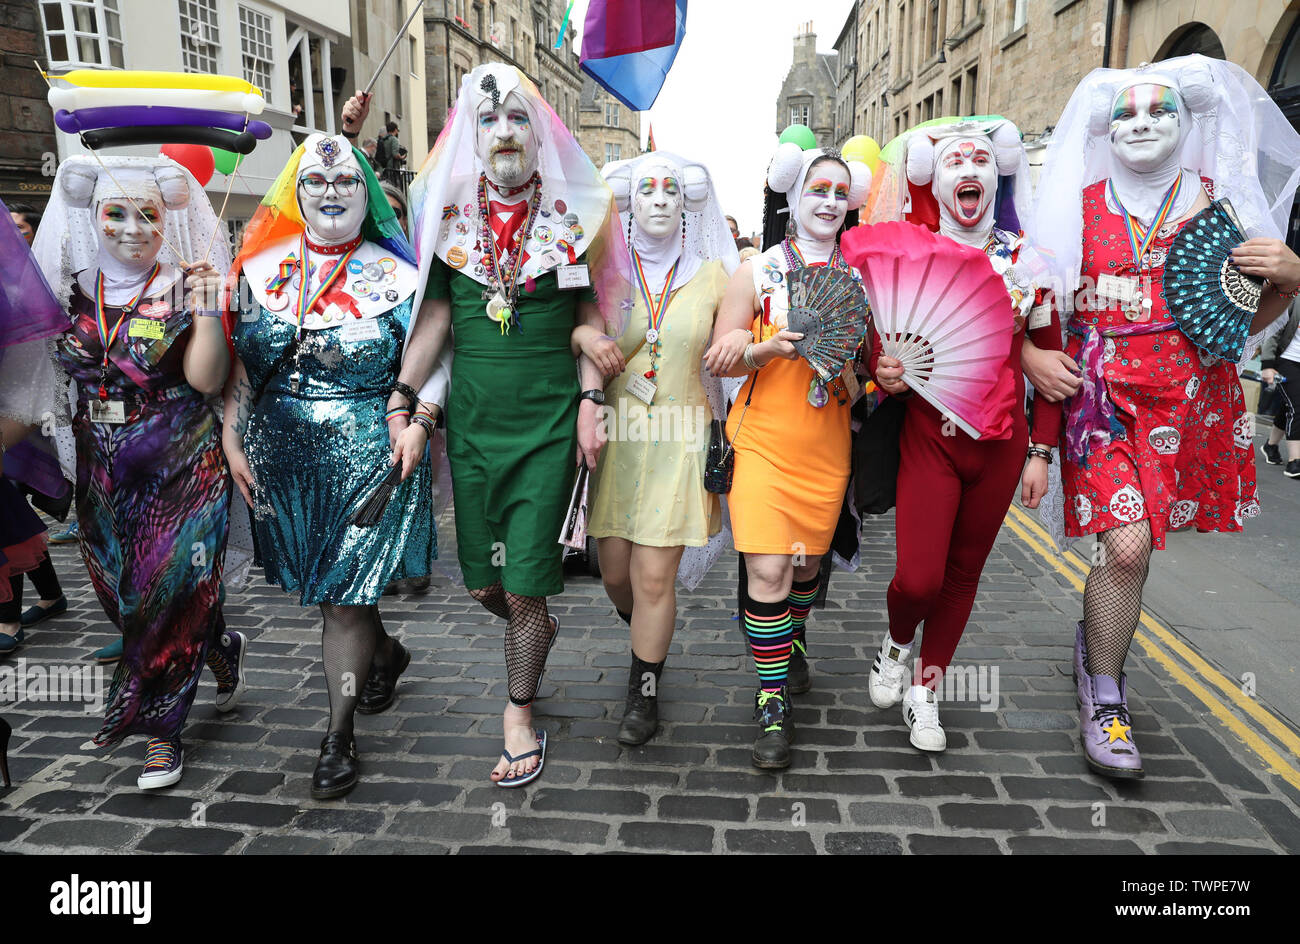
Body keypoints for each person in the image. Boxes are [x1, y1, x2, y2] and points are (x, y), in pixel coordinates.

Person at [1031, 56, 1300, 779]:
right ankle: (1105, 694)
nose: (1143, 123)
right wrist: (1032, 362)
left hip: (1188, 403)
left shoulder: (1218, 202)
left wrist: (1292, 278)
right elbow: (1037, 307)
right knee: (1126, 549)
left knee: (1139, 547)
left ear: (1186, 123)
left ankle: (1097, 645)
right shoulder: (1078, 205)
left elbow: (1246, 317)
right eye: (1128, 112)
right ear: (1105, 128)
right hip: (1103, 402)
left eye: (1160, 111)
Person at [403, 62, 627, 785]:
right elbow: (435, 316)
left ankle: (518, 714)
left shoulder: (573, 216)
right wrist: (401, 397)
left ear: (540, 134)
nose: (505, 132)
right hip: (471, 426)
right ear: (472, 134)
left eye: (518, 119)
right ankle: (534, 631)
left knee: (526, 585)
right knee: (482, 583)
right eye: (490, 121)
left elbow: (588, 318)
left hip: (548, 427)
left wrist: (593, 397)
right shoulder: (450, 216)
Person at [224, 131, 443, 799]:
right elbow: (241, 368)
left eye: (345, 181)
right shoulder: (257, 269)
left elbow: (436, 360)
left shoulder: (400, 276)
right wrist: (232, 439)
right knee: (330, 592)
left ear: (365, 191)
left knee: (341, 606)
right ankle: (388, 653)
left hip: (371, 455)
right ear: (295, 189)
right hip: (283, 461)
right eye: (315, 182)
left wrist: (421, 421)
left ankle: (337, 734)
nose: (329, 192)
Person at [847, 116, 1063, 752]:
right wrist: (878, 368)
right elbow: (873, 350)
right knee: (919, 579)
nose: (969, 170)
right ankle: (895, 641)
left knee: (964, 574)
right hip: (929, 439)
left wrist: (1041, 454)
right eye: (953, 162)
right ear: (934, 182)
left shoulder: (1031, 265)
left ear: (998, 173)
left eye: (980, 160)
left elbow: (1053, 371)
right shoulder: (907, 253)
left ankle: (927, 691)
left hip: (1001, 446)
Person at [31, 156, 248, 788]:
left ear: (166, 218)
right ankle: (217, 645)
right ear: (92, 217)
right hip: (102, 471)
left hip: (183, 463)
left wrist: (209, 308)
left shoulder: (188, 282)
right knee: (125, 596)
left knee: (167, 592)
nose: (133, 228)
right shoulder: (67, 290)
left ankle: (161, 731)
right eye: (116, 214)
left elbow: (208, 379)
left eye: (148, 215)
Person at [703, 134, 871, 769]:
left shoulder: (860, 278)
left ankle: (792, 639)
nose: (827, 202)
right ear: (793, 197)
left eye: (837, 193)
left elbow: (866, 381)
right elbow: (719, 356)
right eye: (815, 191)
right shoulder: (759, 271)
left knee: (803, 572)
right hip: (764, 446)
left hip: (826, 449)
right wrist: (765, 349)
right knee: (769, 570)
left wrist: (856, 376)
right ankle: (771, 700)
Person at [580, 150, 738, 744]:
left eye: (671, 192)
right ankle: (640, 625)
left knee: (653, 580)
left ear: (687, 204)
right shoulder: (604, 272)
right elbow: (577, 328)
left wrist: (745, 343)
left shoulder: (715, 275)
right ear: (629, 202)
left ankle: (643, 690)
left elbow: (733, 346)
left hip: (681, 439)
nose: (660, 201)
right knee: (616, 574)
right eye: (647, 191)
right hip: (618, 437)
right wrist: (584, 339)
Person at [0, 198, 68, 657]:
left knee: (10, 506)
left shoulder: (16, 296)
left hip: (12, 427)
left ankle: (8, 618)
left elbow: (29, 389)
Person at [1260, 303, 1300, 477]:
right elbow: (1274, 330)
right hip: (1287, 359)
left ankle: (1271, 445)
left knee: (1289, 406)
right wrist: (1267, 364)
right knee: (1297, 407)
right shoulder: (1295, 298)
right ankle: (1295, 461)